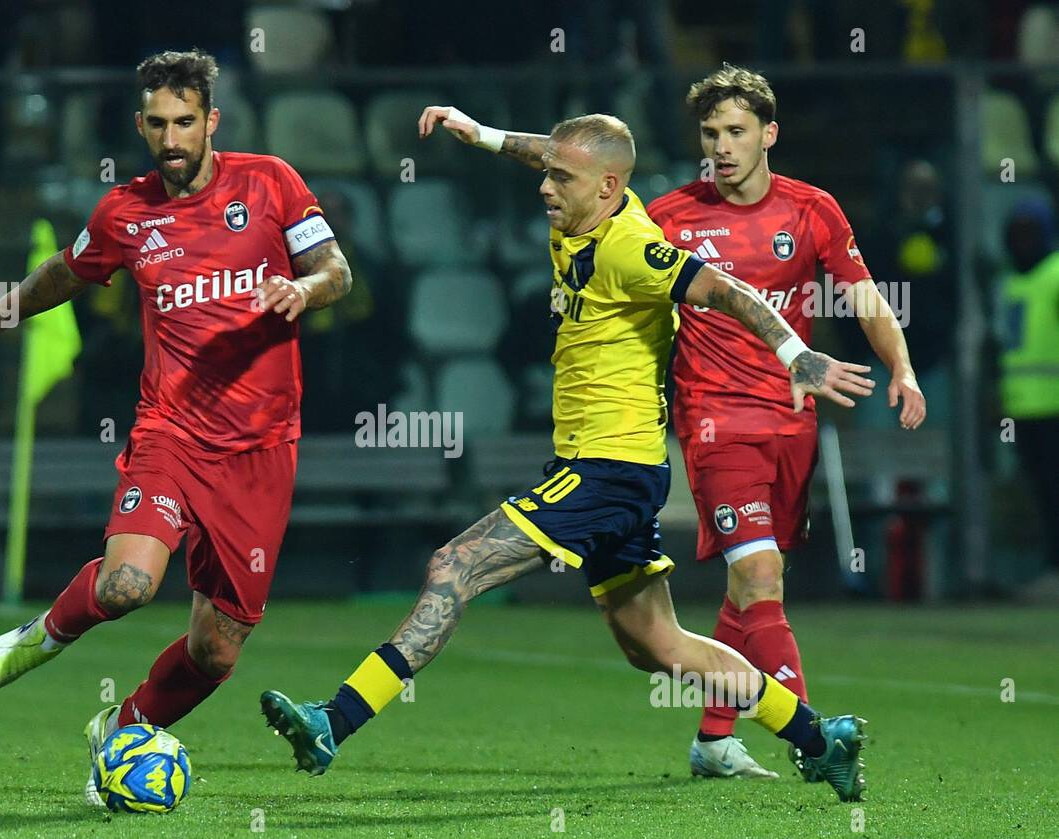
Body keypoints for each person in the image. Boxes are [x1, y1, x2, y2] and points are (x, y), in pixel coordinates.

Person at [260, 107, 875, 802]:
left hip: (607, 472)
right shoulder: (589, 208)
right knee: (659, 646)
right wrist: (483, 136)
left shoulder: (631, 249)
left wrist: (795, 354)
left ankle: (332, 722)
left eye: (562, 179)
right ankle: (823, 739)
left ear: (609, 188)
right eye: (548, 174)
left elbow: (726, 290)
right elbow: (551, 153)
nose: (546, 188)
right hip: (613, 468)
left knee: (456, 564)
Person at [0, 49, 351, 806]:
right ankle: (44, 634)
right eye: (158, 124)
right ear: (140, 126)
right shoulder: (125, 213)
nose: (172, 138)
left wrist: (302, 289)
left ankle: (124, 727)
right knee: (130, 584)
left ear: (212, 122)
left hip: (262, 448)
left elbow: (337, 270)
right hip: (170, 432)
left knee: (218, 647)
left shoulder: (270, 182)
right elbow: (65, 273)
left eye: (186, 122)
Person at [646, 65, 926, 779]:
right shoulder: (667, 217)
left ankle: (712, 740)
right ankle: (815, 739)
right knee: (762, 576)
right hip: (714, 422)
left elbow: (864, 297)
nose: (722, 146)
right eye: (710, 133)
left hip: (791, 421)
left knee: (752, 586)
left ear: (769, 133)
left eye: (736, 131)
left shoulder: (812, 210)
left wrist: (902, 367)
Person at [996, 200, 1059, 603]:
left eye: (1029, 232)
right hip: (1023, 409)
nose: (1022, 241)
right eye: (1016, 233)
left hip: (1053, 408)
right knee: (1041, 494)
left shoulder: (1053, 275)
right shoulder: (1011, 282)